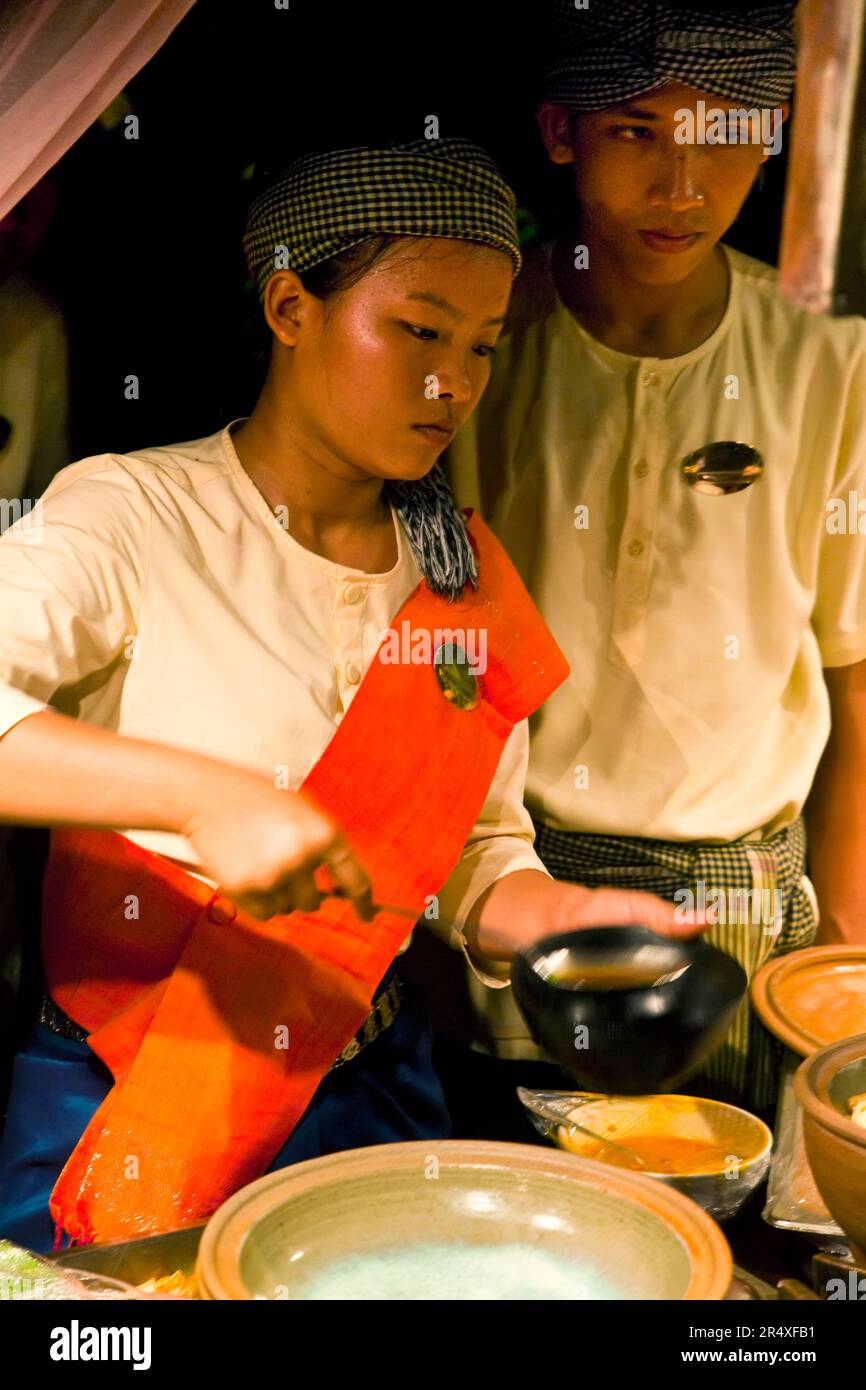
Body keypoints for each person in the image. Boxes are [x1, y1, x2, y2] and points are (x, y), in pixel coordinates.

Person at [0, 138, 686, 1253]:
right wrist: (205, 800)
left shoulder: (457, 580)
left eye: (480, 345)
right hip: (123, 1089)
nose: (453, 382)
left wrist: (550, 915)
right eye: (417, 330)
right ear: (289, 307)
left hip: (369, 1096)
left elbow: (472, 852)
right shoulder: (132, 515)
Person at [444, 1, 866, 1116]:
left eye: (723, 137)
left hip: (740, 902)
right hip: (509, 881)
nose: (682, 186)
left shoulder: (828, 354)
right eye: (636, 133)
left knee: (719, 1203)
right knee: (510, 1193)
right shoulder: (478, 338)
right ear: (559, 132)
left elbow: (853, 667)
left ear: (772, 140)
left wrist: (845, 949)